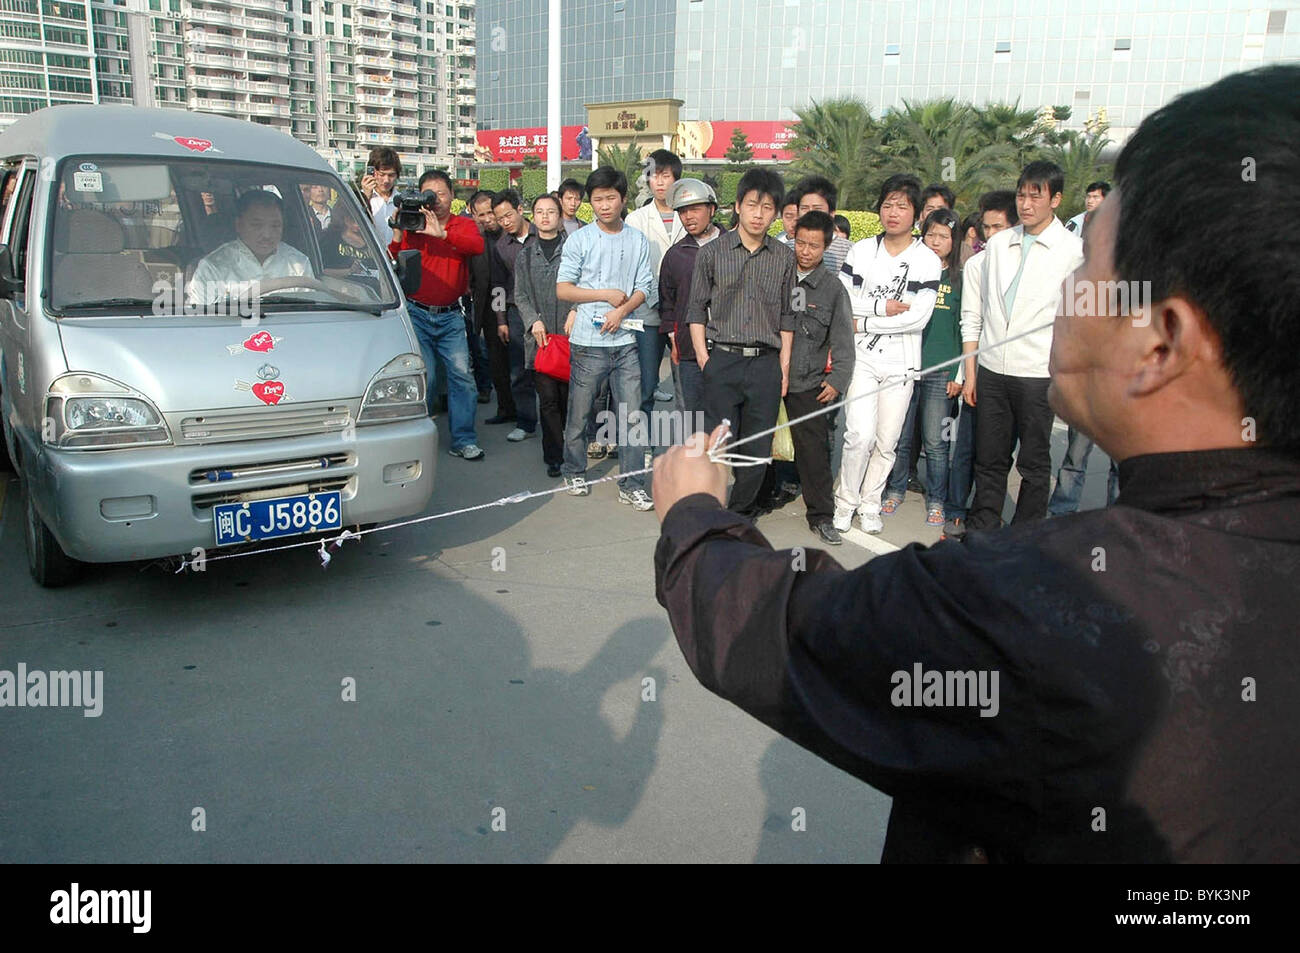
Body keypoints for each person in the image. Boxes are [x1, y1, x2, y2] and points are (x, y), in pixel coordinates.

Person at [652, 64, 1300, 864]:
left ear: (1161, 340)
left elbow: (790, 634)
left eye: (1087, 270)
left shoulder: (1043, 603)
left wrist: (695, 520)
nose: (1064, 299)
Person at [964, 161, 1083, 532]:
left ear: (1056, 199)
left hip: (1036, 374)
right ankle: (984, 526)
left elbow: (1077, 322)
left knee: (1033, 461)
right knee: (990, 457)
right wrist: (971, 371)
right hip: (991, 370)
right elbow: (975, 311)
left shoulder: (1074, 252)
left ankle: (1028, 531)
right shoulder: (999, 244)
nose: (1026, 204)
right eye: (1021, 195)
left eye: (1036, 196)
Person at [686, 167, 796, 521]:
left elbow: (788, 317)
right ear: (737, 206)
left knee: (757, 446)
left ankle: (740, 514)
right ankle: (715, 505)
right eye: (752, 205)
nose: (759, 214)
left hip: (765, 363)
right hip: (723, 360)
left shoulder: (784, 257)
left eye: (767, 208)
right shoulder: (712, 253)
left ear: (776, 212)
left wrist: (783, 368)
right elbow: (696, 311)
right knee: (718, 442)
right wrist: (705, 358)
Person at [833, 173, 940, 535]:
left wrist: (864, 323)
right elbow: (845, 303)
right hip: (862, 358)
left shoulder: (926, 260)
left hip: (902, 363)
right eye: (887, 204)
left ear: (916, 214)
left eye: (902, 206)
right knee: (858, 434)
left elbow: (918, 317)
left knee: (887, 441)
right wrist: (879, 309)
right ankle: (844, 502)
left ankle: (870, 503)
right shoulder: (861, 250)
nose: (893, 212)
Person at [555, 166, 657, 511]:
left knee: (631, 416)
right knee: (580, 413)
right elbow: (563, 289)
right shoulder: (579, 240)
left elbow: (645, 286)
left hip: (626, 341)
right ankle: (573, 468)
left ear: (623, 199)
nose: (604, 205)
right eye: (597, 199)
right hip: (587, 343)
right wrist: (604, 295)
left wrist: (621, 310)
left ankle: (632, 483)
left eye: (610, 198)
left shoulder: (637, 240)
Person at [388, 169, 486, 461]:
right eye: (428, 194)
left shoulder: (461, 225)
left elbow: (476, 246)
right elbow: (393, 255)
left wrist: (442, 234)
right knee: (425, 378)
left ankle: (464, 439)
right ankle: (420, 436)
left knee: (462, 377)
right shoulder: (413, 224)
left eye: (441, 194)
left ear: (452, 196)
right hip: (416, 312)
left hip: (450, 316)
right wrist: (398, 229)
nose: (435, 200)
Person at [883, 208, 964, 526]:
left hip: (940, 370)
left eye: (944, 236)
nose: (936, 241)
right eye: (931, 234)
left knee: (935, 442)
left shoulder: (959, 278)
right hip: (905, 365)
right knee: (900, 437)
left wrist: (959, 373)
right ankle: (895, 490)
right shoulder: (909, 273)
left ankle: (937, 499)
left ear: (954, 241)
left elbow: (966, 327)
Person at [945, 190, 1018, 540]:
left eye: (999, 227)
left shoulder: (1030, 268)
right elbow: (969, 323)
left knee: (1003, 454)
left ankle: (990, 514)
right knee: (967, 449)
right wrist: (967, 374)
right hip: (981, 370)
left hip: (1022, 376)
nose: (991, 235)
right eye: (986, 227)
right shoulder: (977, 266)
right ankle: (957, 510)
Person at [785, 210, 855, 544]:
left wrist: (838, 379)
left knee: (813, 451)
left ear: (826, 246)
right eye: (801, 242)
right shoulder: (777, 273)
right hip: (769, 374)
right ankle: (756, 500)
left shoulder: (833, 289)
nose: (806, 251)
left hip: (808, 380)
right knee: (759, 442)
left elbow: (843, 340)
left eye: (814, 245)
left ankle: (821, 515)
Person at [1048, 208, 1120, 515]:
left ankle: (1118, 518)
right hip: (1087, 383)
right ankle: (1062, 513)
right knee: (1075, 457)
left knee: (1122, 462)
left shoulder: (1137, 278)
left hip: (1120, 387)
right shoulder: (1079, 277)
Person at [624, 149, 687, 444]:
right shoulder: (636, 220)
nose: (659, 183)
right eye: (653, 176)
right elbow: (632, 268)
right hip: (647, 314)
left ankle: (690, 448)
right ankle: (641, 445)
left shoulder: (689, 215)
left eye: (665, 176)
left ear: (676, 179)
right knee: (645, 385)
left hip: (684, 318)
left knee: (686, 386)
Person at [514, 194, 574, 478]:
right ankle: (554, 455)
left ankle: (570, 444)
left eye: (551, 211)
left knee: (568, 399)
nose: (546, 216)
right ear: (533, 216)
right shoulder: (525, 255)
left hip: (571, 336)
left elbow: (585, 285)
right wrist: (533, 321)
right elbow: (520, 294)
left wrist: (576, 311)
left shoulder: (574, 249)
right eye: (540, 212)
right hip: (541, 340)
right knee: (548, 399)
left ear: (561, 216)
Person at [658, 178, 720, 423]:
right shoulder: (675, 255)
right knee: (690, 417)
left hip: (728, 347)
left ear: (712, 209)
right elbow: (668, 303)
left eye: (695, 209)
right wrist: (674, 341)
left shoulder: (732, 245)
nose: (688, 217)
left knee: (723, 418)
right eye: (683, 212)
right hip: (688, 350)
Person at [187, 189, 312, 306]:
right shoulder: (213, 267)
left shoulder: (298, 263)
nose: (267, 235)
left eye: (275, 226)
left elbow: (311, 315)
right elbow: (199, 321)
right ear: (239, 225)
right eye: (257, 225)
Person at [492, 189, 540, 443]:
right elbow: (498, 285)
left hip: (547, 311)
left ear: (520, 210)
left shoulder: (543, 234)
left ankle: (561, 420)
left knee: (552, 368)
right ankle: (525, 422)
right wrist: (501, 320)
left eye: (509, 215)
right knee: (520, 370)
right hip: (516, 313)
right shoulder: (501, 247)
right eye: (500, 218)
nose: (505, 222)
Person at [793, 175, 853, 277]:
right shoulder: (787, 249)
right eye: (804, 208)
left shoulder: (850, 251)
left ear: (832, 214)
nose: (810, 213)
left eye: (817, 208)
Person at [359, 146, 400, 245]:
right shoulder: (359, 199)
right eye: (381, 175)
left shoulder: (401, 201)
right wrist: (365, 198)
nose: (386, 180)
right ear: (372, 172)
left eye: (391, 175)